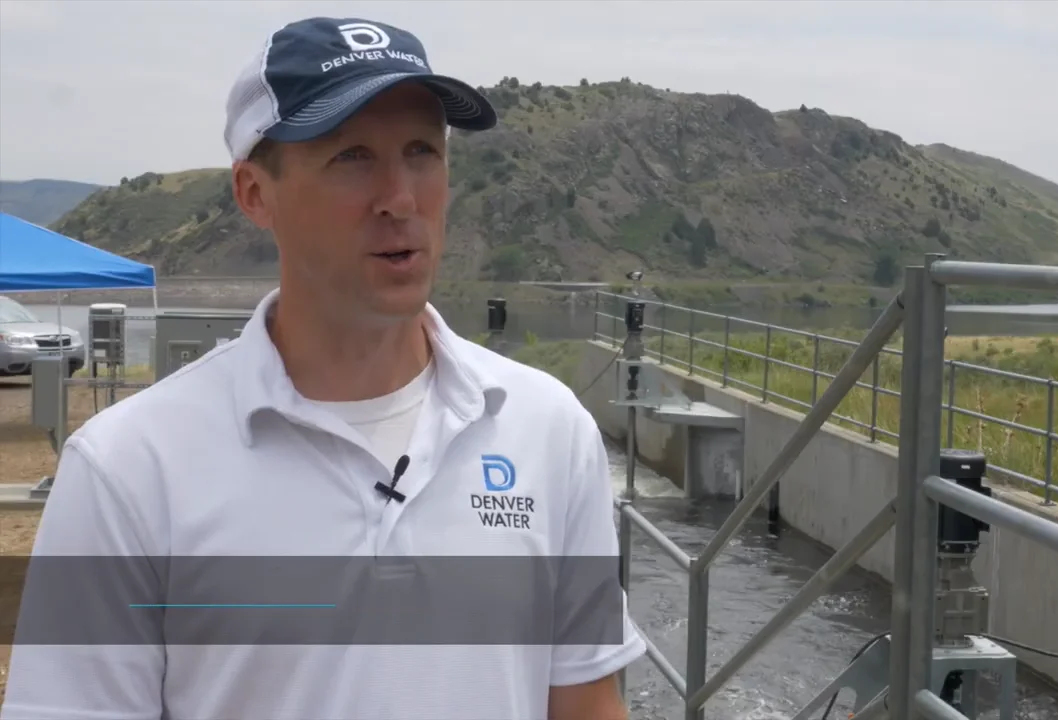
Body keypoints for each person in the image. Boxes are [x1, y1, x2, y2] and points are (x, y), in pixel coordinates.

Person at [1, 16, 644, 720]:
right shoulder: (129, 468)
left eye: (422, 152)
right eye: (352, 156)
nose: (400, 198)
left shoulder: (547, 429)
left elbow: (586, 701)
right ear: (254, 193)